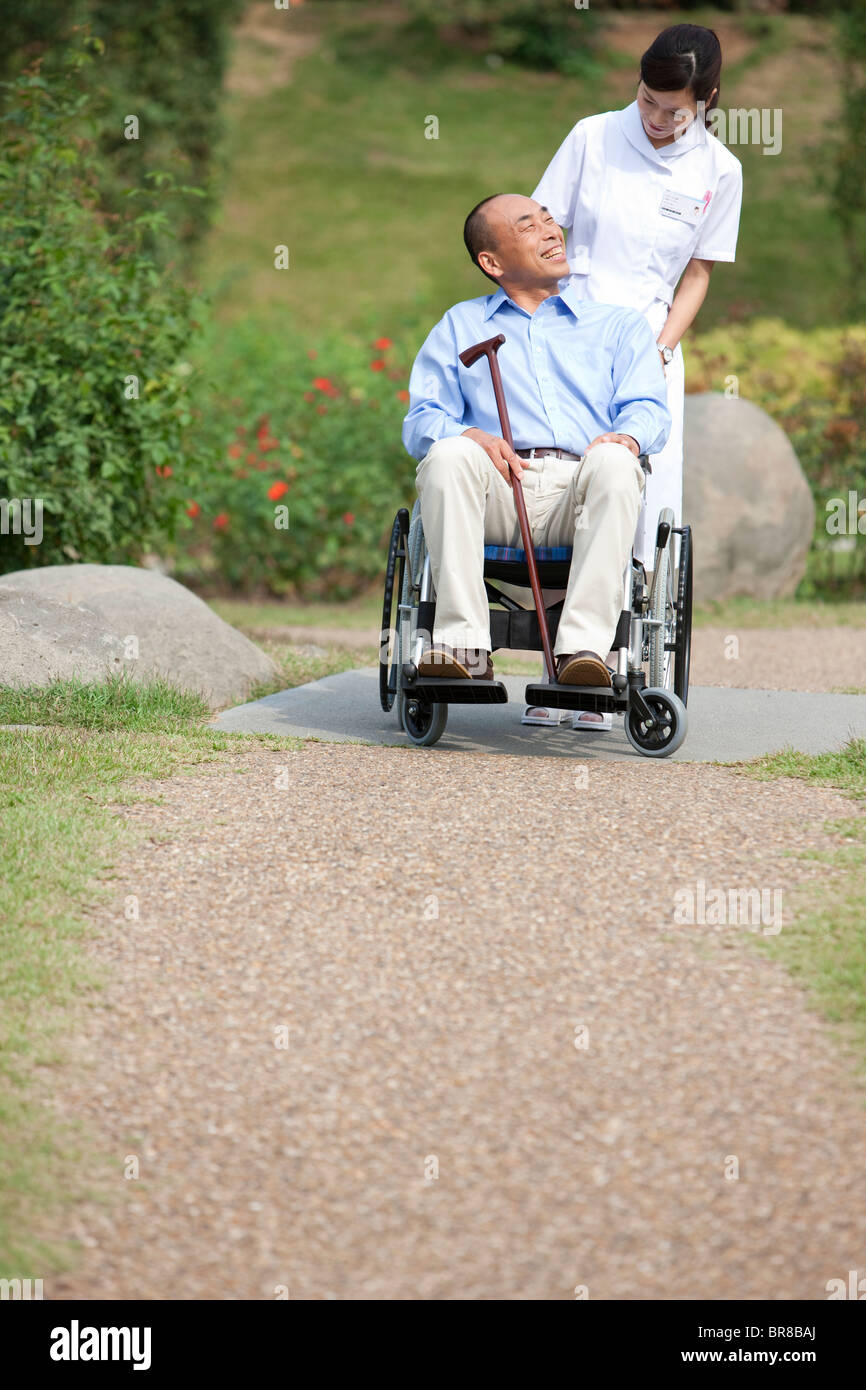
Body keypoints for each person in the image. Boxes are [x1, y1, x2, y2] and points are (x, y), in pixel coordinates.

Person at [524, 21, 743, 729]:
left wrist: (659, 350)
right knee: (558, 484)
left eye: (674, 110)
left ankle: (611, 670)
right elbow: (540, 229)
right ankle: (557, 664)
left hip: (649, 347)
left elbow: (698, 274)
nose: (654, 119)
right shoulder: (591, 137)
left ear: (707, 101)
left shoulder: (720, 172)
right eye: (647, 100)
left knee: (633, 500)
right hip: (570, 332)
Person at [401, 193, 670, 689]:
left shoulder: (618, 325)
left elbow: (648, 409)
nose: (551, 231)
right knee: (448, 453)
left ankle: (582, 652)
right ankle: (463, 646)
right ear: (492, 261)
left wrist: (626, 438)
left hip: (582, 487)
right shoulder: (461, 324)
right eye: (529, 225)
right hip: (499, 491)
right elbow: (420, 420)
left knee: (616, 461)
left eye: (549, 219)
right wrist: (470, 435)